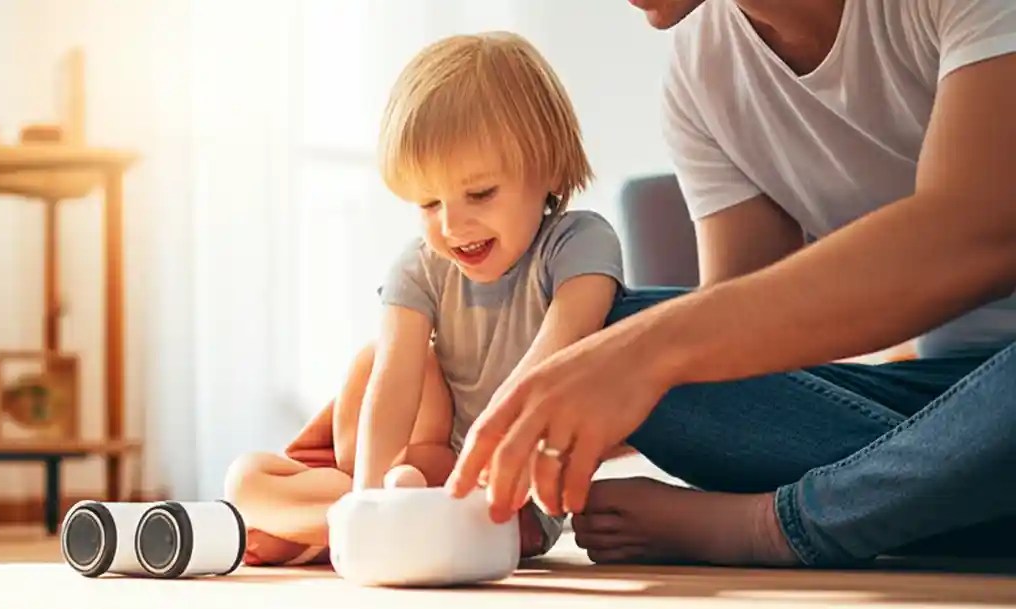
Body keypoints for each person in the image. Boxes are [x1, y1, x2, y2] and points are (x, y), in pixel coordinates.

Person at [446, 0, 1016, 567]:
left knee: (651, 346)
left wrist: (651, 352)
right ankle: (927, 494)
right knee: (615, 331)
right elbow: (737, 345)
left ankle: (780, 523)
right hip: (950, 398)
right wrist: (561, 412)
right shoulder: (704, 70)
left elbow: (979, 230)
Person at [224, 31, 627, 566]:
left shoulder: (580, 244)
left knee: (413, 485)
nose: (453, 225)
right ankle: (367, 515)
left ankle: (322, 524)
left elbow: (556, 357)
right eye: (429, 201)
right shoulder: (420, 266)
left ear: (549, 169)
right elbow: (391, 386)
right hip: (421, 466)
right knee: (246, 478)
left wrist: (423, 482)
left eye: (479, 193)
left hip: (509, 490)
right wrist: (367, 501)